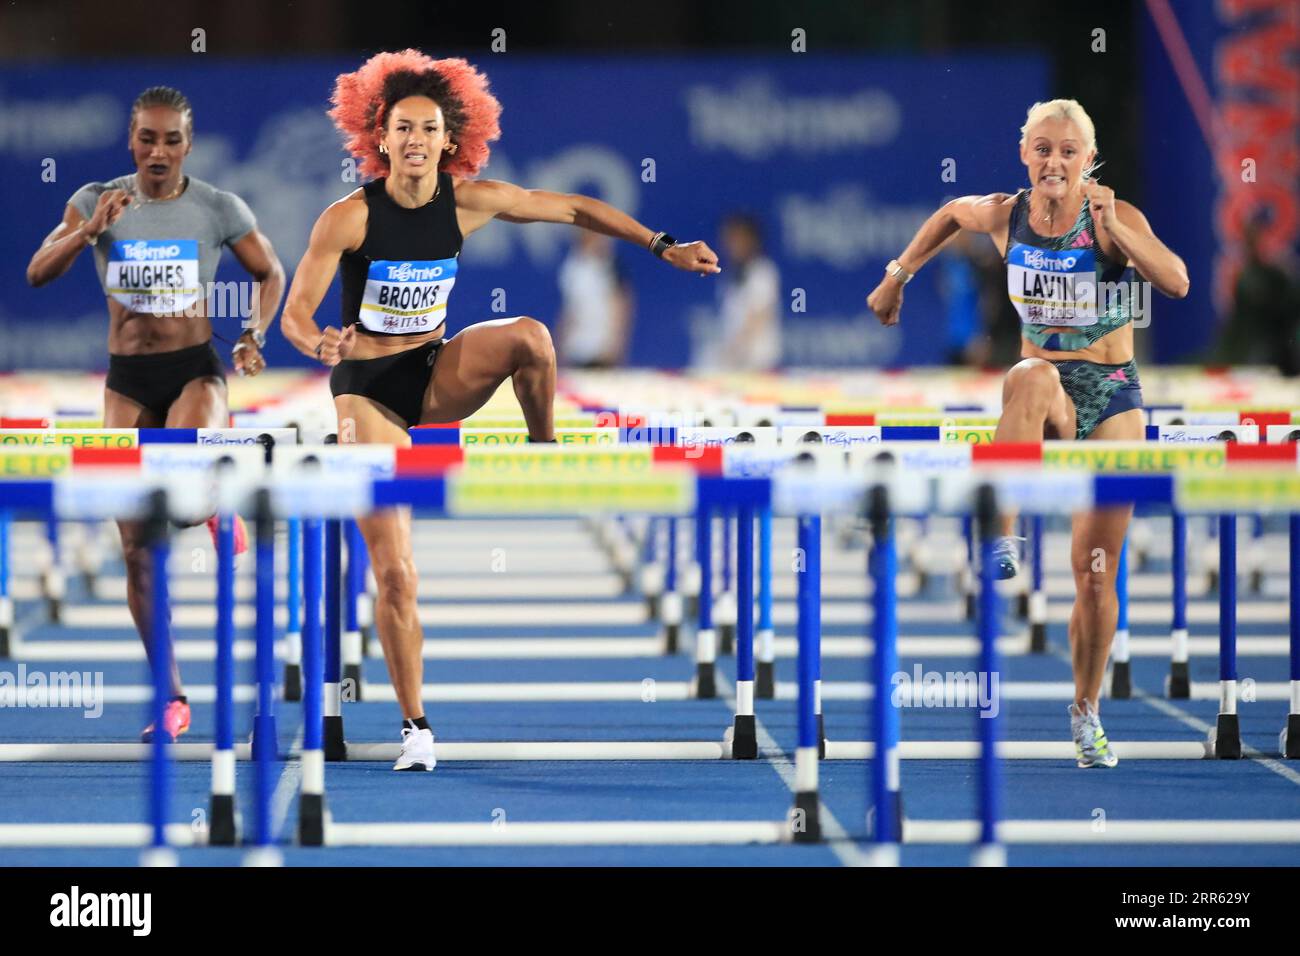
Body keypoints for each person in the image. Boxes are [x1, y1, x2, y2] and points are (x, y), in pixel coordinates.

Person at [279, 50, 720, 772]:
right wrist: (319, 341)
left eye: (428, 128)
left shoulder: (470, 200)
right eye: (402, 129)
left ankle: (543, 462)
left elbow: (573, 208)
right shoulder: (349, 217)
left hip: (434, 368)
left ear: (449, 139)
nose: (415, 140)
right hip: (366, 387)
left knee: (532, 339)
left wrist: (660, 245)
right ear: (379, 138)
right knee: (395, 572)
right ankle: (416, 725)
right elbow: (294, 314)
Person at [866, 98, 1189, 768]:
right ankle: (1001, 538)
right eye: (1043, 148)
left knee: (1095, 575)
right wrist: (899, 275)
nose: (1055, 162)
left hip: (1110, 394)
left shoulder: (1114, 217)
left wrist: (1117, 233)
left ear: (1089, 159)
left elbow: (1177, 282)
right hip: (1047, 392)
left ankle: (1086, 711)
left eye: (1069, 151)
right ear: (1025, 154)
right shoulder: (1005, 214)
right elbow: (951, 213)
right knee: (1028, 375)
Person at [26, 85, 286, 743]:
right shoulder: (94, 199)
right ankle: (170, 696)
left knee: (181, 473)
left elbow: (270, 272)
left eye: (172, 140)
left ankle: (213, 506)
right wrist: (88, 231)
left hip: (196, 369)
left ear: (188, 145)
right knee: (138, 547)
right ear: (132, 141)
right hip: (127, 380)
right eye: (148, 138)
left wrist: (254, 332)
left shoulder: (217, 208)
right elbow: (36, 272)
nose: (159, 151)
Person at [707, 213, 781, 371]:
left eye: (736, 239)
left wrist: (735, 348)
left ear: (751, 240)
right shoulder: (730, 273)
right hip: (736, 360)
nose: (731, 245)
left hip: (757, 361)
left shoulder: (763, 272)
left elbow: (759, 317)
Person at [557, 231, 633, 369]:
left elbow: (622, 305)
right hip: (576, 348)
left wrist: (616, 344)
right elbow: (570, 309)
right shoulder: (572, 267)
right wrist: (561, 342)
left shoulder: (610, 266)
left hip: (601, 349)